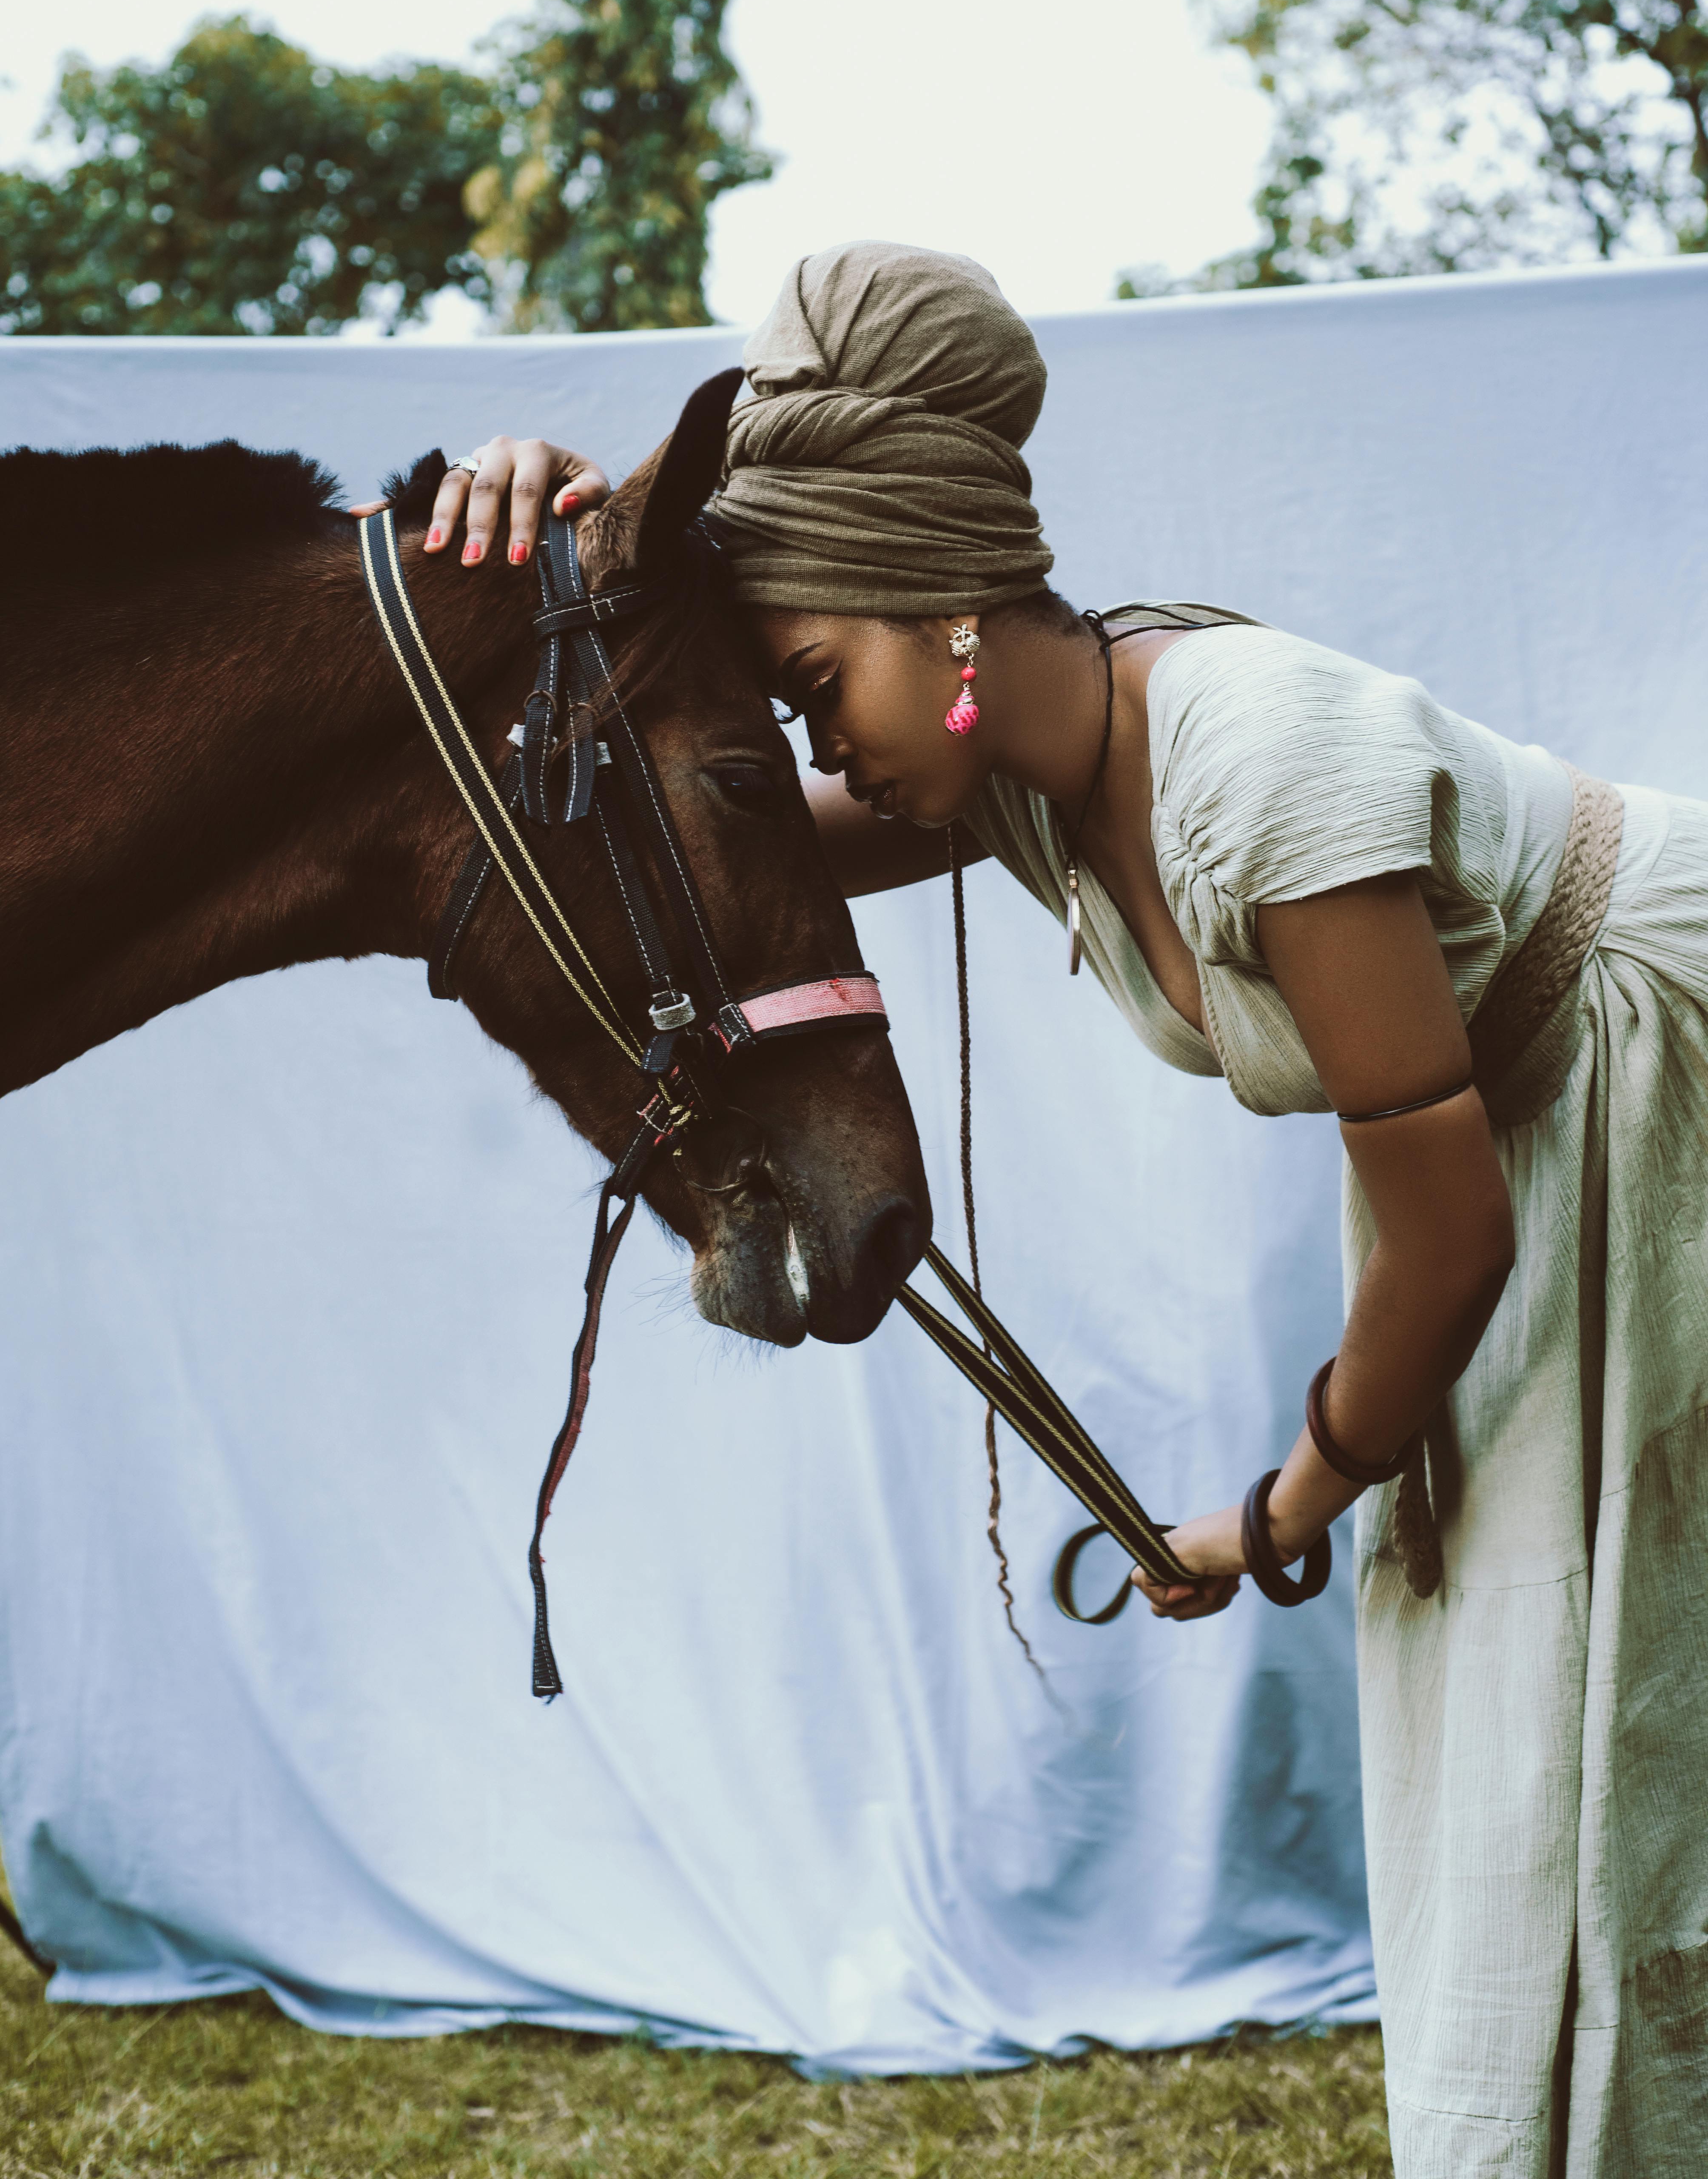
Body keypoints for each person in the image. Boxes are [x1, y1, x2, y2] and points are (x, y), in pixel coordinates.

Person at [392, 240, 1706, 2178]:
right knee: (1525, 1739)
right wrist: (540, 545)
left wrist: (1280, 1503)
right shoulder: (1006, 787)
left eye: (811, 686)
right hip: (1532, 1153)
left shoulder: (1256, 762)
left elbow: (1448, 1246)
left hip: (1658, 1102)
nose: (806, 743)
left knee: (1621, 1725)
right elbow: (668, 829)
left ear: (944, 614)